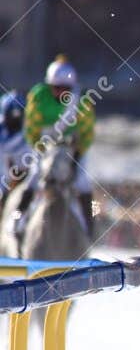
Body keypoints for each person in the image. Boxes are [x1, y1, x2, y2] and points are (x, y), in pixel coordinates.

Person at [14, 55, 95, 235]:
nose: (61, 92)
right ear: (49, 85)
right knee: (34, 176)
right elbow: (31, 126)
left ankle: (90, 224)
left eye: (66, 88)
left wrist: (79, 154)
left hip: (72, 149)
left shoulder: (82, 101)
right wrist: (39, 147)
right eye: (56, 88)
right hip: (44, 147)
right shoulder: (38, 96)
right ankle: (17, 219)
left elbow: (87, 132)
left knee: (83, 182)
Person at [0, 93, 29, 194]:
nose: (14, 120)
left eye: (18, 116)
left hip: (21, 185)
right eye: (11, 115)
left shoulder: (30, 133)